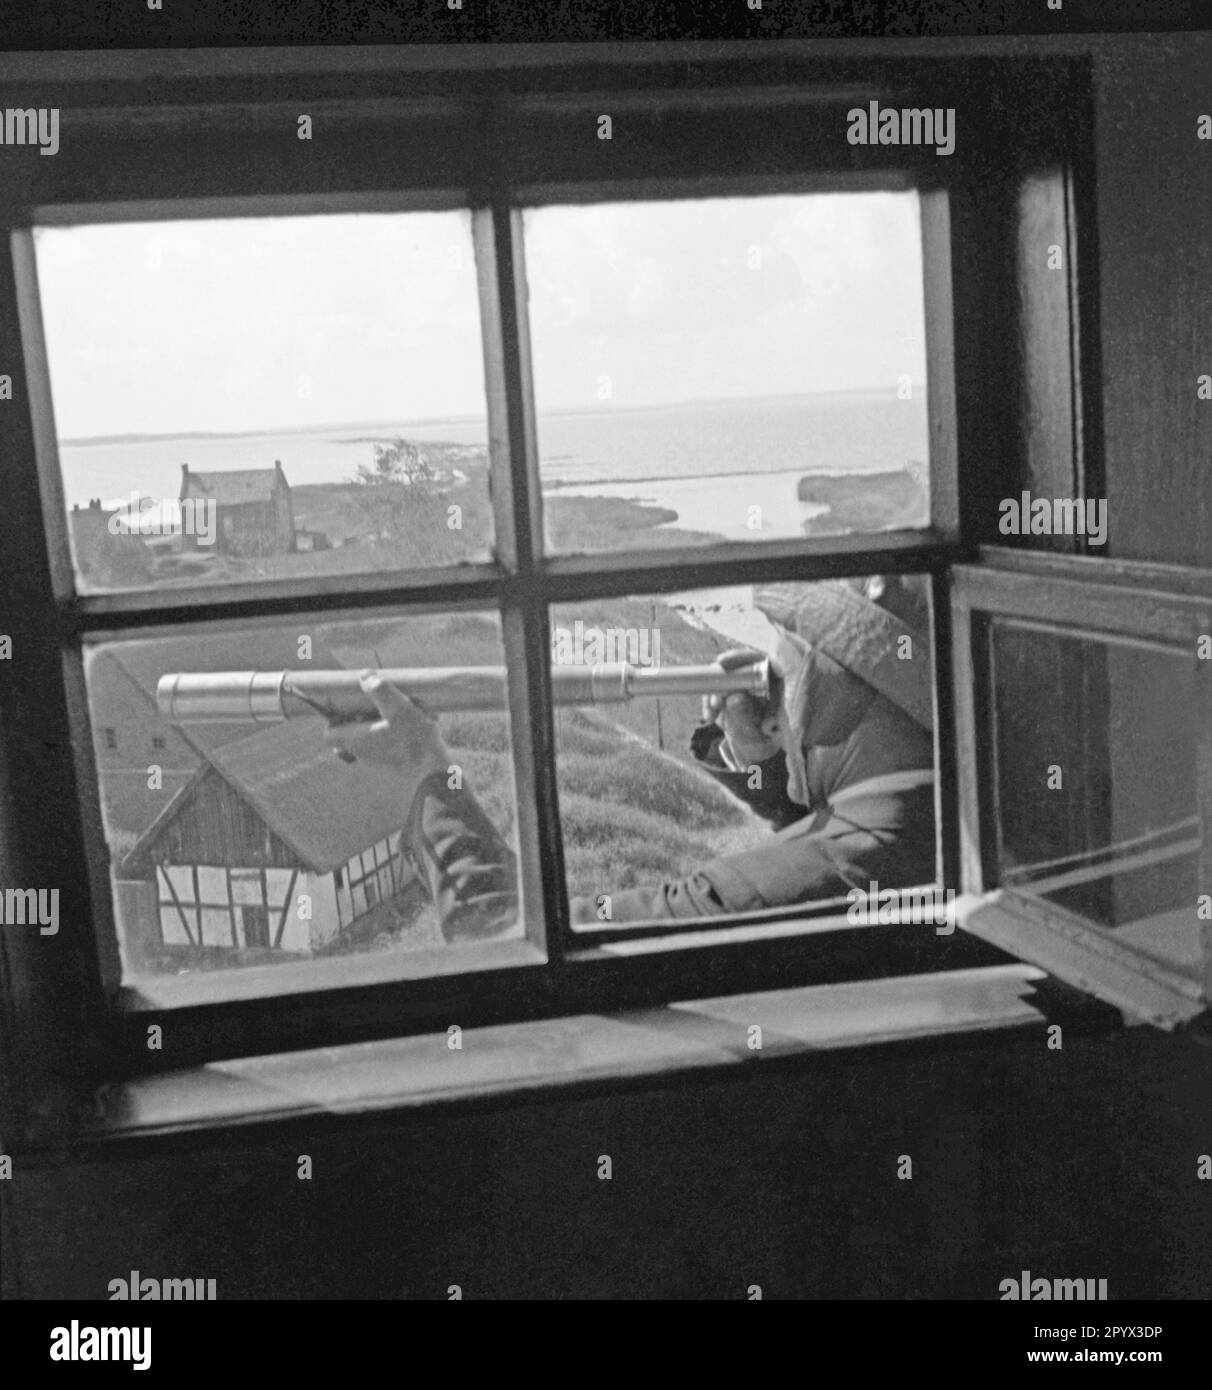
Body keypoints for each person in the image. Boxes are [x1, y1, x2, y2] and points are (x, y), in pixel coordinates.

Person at [326, 575, 937, 941]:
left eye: (788, 658)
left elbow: (501, 936)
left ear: (841, 677)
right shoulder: (951, 813)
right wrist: (759, 758)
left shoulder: (756, 892)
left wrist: (428, 776)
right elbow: (845, 823)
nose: (769, 672)